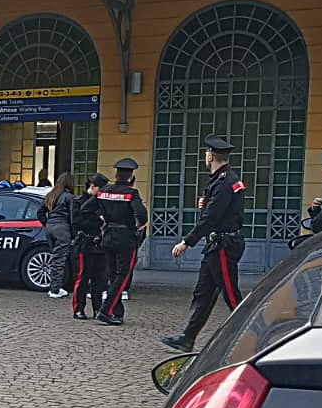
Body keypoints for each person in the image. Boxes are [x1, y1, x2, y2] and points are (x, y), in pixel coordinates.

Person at [162, 136, 247, 352]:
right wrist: (207, 204)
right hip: (216, 245)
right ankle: (187, 338)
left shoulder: (226, 182)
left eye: (206, 154)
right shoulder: (222, 180)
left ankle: (253, 337)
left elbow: (211, 219)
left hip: (223, 245)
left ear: (210, 156)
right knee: (203, 293)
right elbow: (218, 212)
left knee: (231, 295)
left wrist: (186, 242)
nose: (205, 157)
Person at [95, 158, 148, 326]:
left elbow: (86, 209)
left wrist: (102, 221)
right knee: (123, 276)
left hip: (108, 236)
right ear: (131, 176)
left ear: (116, 174)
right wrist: (138, 227)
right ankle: (105, 309)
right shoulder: (131, 193)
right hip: (125, 238)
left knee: (112, 275)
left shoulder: (104, 192)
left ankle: (116, 313)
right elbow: (142, 215)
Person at [70, 174, 109, 318]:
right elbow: (77, 222)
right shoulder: (78, 202)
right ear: (92, 187)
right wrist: (98, 221)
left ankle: (98, 309)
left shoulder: (103, 202)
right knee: (82, 278)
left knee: (99, 279)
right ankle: (78, 309)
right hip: (85, 243)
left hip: (100, 245)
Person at [37, 172, 76, 299]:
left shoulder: (50, 195)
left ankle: (55, 286)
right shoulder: (68, 197)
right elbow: (73, 217)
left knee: (55, 258)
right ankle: (55, 289)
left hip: (50, 228)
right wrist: (74, 234)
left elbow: (40, 212)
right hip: (62, 228)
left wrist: (47, 223)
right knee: (59, 260)